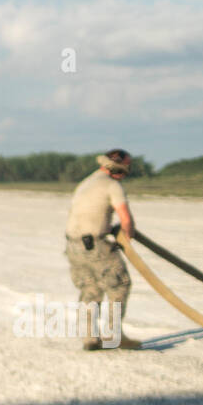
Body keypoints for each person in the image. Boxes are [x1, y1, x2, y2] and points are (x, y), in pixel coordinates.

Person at [64, 149, 143, 350]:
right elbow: (125, 218)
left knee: (90, 289)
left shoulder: (86, 182)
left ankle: (90, 338)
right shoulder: (112, 185)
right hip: (96, 246)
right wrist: (127, 236)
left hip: (73, 245)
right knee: (119, 285)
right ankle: (112, 335)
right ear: (121, 169)